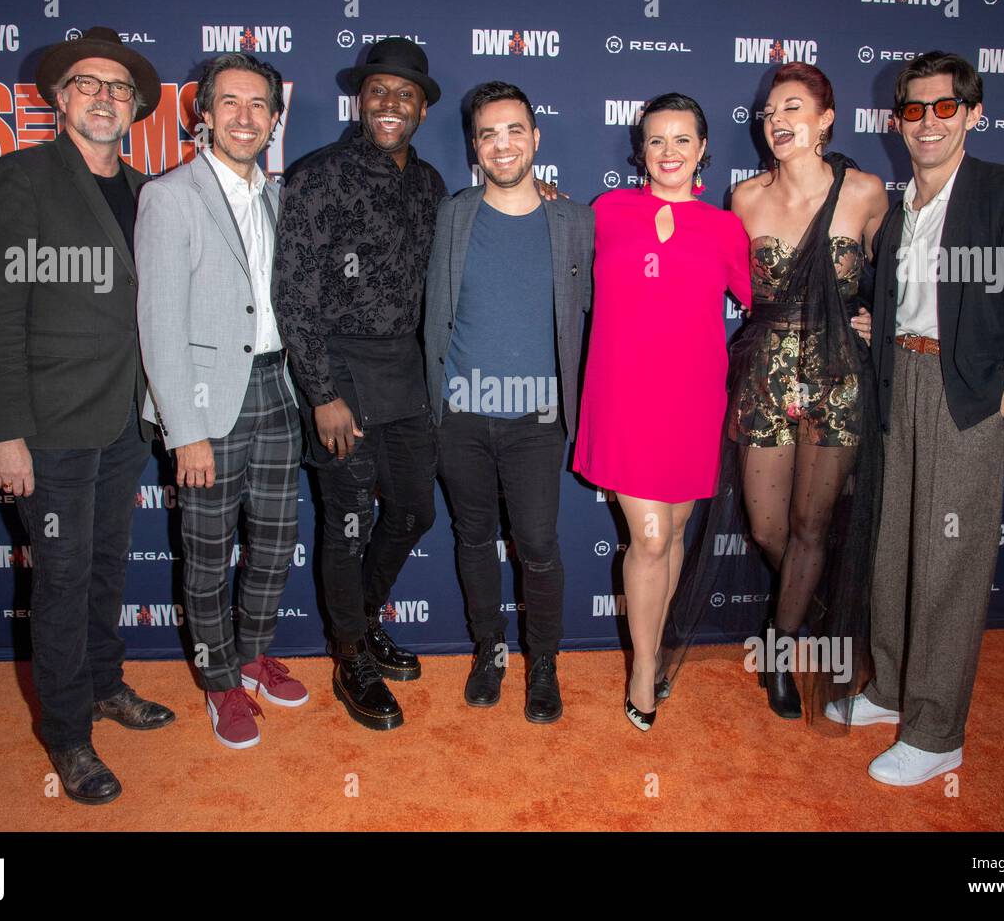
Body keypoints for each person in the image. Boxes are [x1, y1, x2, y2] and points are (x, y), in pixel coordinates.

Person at [826, 51, 1004, 785]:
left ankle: (937, 734)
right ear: (896, 119)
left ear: (973, 113)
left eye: (944, 108)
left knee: (947, 566)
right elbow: (912, 298)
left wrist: (994, 402)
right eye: (914, 109)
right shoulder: (903, 206)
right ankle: (893, 689)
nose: (928, 122)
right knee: (892, 550)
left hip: (965, 395)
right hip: (896, 382)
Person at [0, 27, 173, 805]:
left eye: (118, 87)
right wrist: (5, 432)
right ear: (59, 98)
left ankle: (105, 684)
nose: (104, 96)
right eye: (88, 83)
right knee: (60, 577)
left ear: (138, 106)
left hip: (121, 420)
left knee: (106, 564)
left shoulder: (149, 189)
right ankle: (67, 734)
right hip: (47, 427)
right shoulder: (21, 178)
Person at [662, 63, 888, 723]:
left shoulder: (866, 192)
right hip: (765, 373)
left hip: (838, 377)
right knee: (767, 527)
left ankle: (782, 648)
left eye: (793, 106)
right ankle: (812, 602)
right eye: (768, 111)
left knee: (812, 525)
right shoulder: (744, 198)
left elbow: (896, 278)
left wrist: (872, 314)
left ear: (826, 120)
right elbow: (709, 268)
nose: (777, 119)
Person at [273, 38, 445, 731]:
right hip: (338, 371)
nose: (391, 104)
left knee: (413, 512)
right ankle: (350, 655)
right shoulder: (319, 176)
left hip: (405, 371)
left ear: (423, 110)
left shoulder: (430, 184)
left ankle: (363, 620)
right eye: (379, 91)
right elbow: (292, 298)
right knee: (348, 524)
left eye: (406, 94)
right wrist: (321, 394)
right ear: (360, 99)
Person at [136, 53, 307, 751]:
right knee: (208, 553)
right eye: (229, 103)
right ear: (203, 114)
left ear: (273, 118)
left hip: (277, 390)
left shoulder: (279, 195)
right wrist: (185, 431)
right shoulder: (170, 196)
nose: (244, 117)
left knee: (272, 544)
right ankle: (218, 683)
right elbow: (159, 322)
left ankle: (251, 655)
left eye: (258, 104)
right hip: (206, 403)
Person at [572, 94, 751, 732]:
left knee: (673, 535)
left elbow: (772, 303)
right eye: (656, 141)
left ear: (703, 150)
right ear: (639, 151)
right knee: (649, 537)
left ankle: (653, 647)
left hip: (695, 400)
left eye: (682, 140)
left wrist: (852, 313)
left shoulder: (727, 228)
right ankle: (643, 669)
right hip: (624, 397)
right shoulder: (607, 212)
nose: (669, 153)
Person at [424, 81, 594, 723]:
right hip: (460, 416)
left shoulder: (575, 221)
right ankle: (489, 651)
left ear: (536, 138)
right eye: (489, 133)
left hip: (537, 420)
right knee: (472, 539)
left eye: (514, 130)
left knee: (538, 544)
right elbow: (434, 316)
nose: (502, 144)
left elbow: (610, 310)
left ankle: (543, 663)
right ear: (475, 145)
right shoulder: (454, 214)